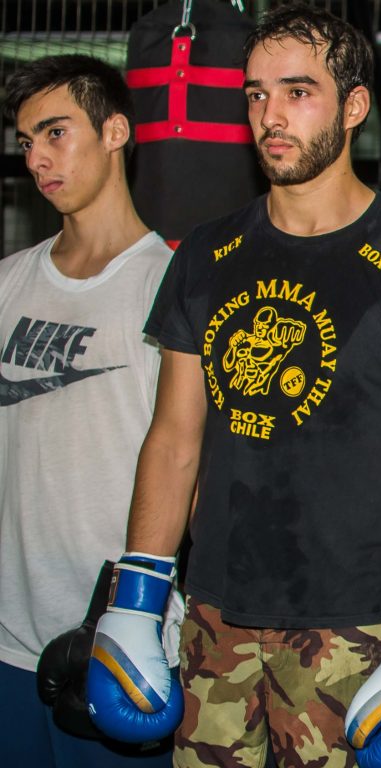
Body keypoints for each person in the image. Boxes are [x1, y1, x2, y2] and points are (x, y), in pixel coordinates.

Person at [82, 5, 381, 768]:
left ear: (354, 106)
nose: (271, 115)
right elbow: (172, 442)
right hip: (214, 617)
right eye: (257, 94)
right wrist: (138, 593)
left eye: (298, 92)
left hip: (354, 626)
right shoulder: (206, 254)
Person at [0, 54, 174, 768]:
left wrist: (142, 614)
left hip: (122, 645)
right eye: (25, 141)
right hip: (8, 640)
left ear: (115, 132)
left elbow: (193, 466)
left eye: (55, 132)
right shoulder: (8, 282)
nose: (36, 158)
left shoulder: (170, 285)